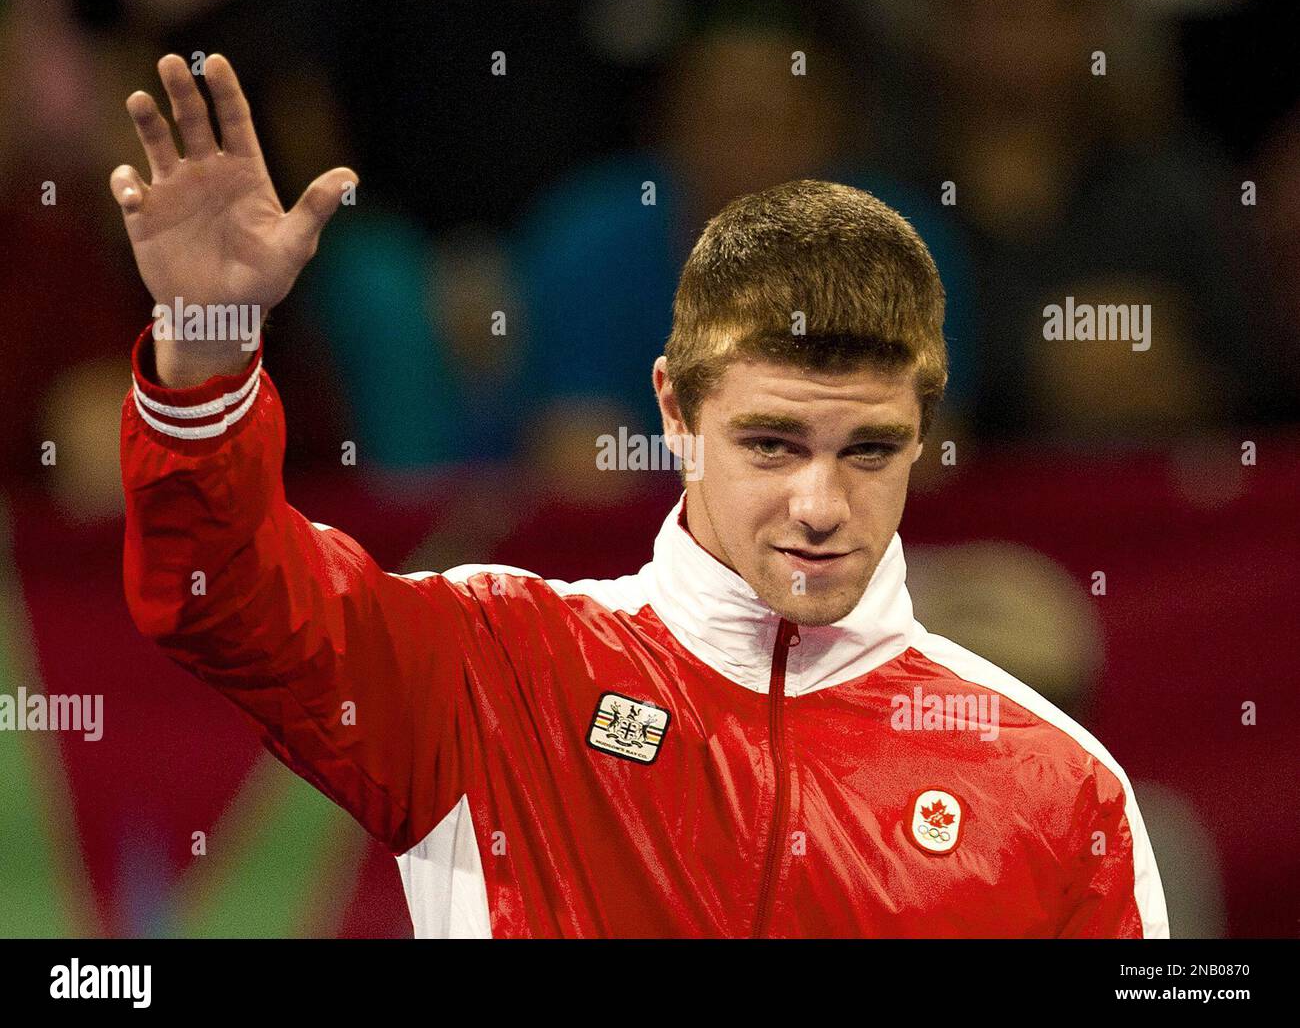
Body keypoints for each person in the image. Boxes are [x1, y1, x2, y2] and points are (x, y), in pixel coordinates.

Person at [115, 54, 1168, 938]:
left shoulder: (1057, 789)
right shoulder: (496, 670)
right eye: (769, 441)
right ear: (673, 408)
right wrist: (207, 341)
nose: (818, 503)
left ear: (924, 437)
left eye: (868, 450)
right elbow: (224, 597)